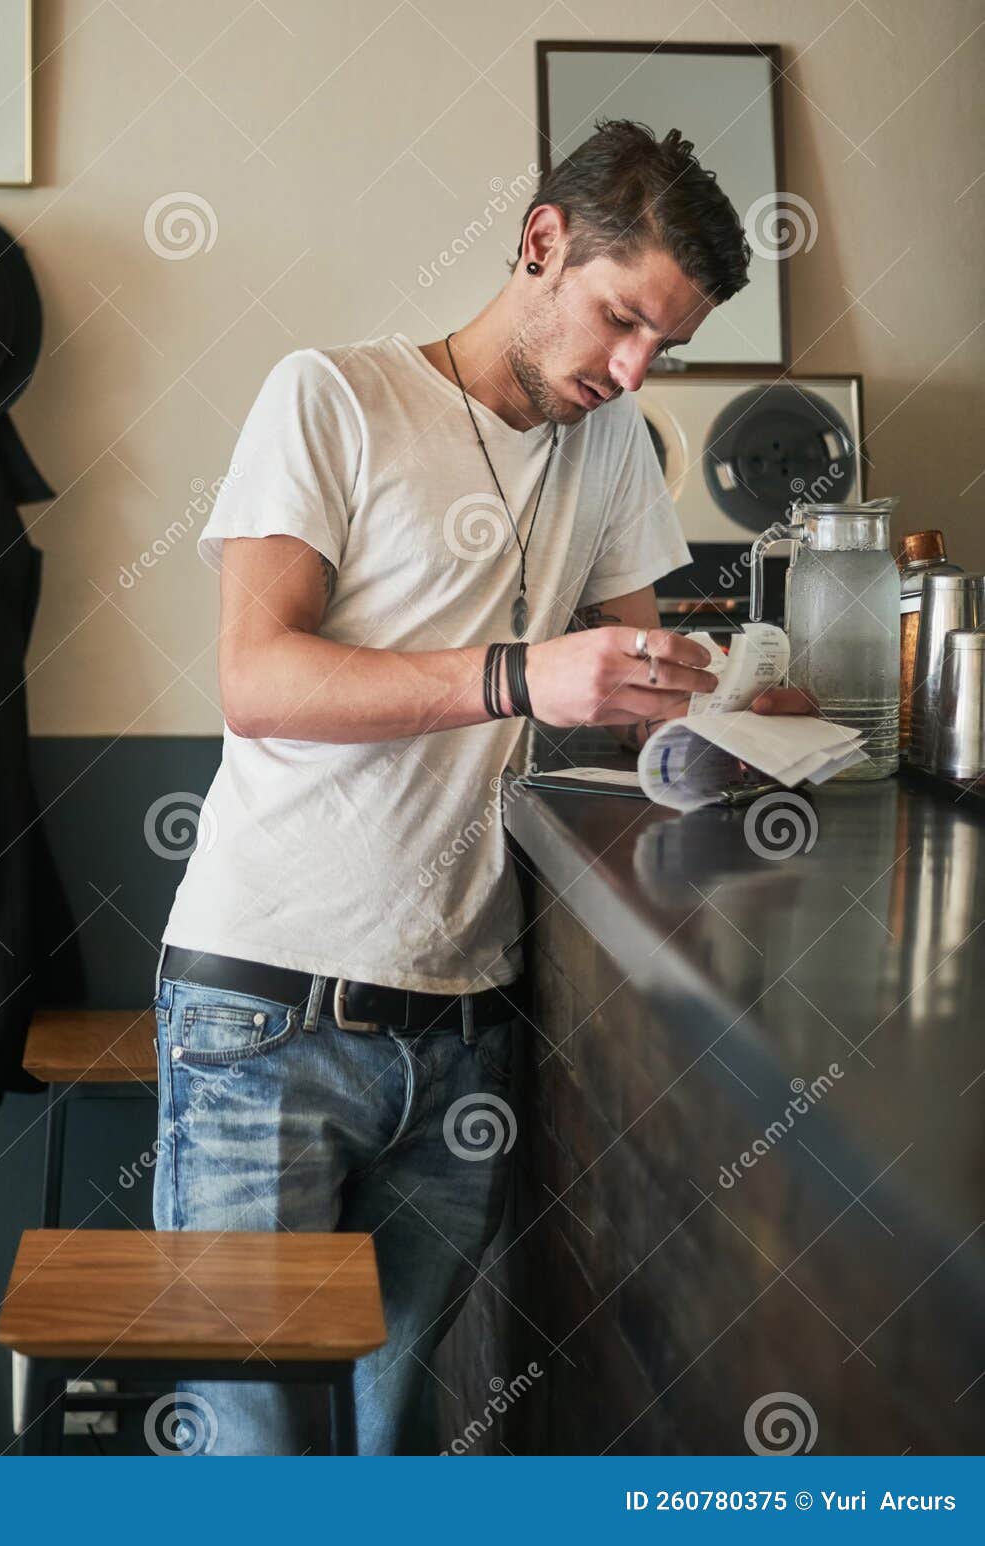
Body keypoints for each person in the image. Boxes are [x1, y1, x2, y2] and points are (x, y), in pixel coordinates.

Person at [150, 118, 809, 1455]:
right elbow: (258, 678)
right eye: (621, 320)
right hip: (268, 1015)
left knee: (388, 1442)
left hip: (462, 1028)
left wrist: (741, 711)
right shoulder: (328, 394)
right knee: (255, 1461)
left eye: (661, 349)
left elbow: (635, 693)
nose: (631, 371)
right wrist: (521, 677)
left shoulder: (611, 443)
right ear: (539, 243)